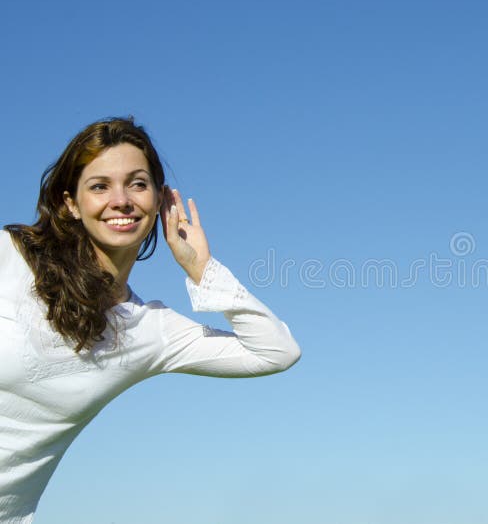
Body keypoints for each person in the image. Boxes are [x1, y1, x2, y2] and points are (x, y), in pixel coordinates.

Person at [0, 118, 301, 522]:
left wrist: (201, 269)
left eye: (137, 184)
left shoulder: (151, 330)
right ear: (71, 203)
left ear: (160, 200)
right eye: (100, 186)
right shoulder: (10, 258)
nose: (121, 200)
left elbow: (275, 352)